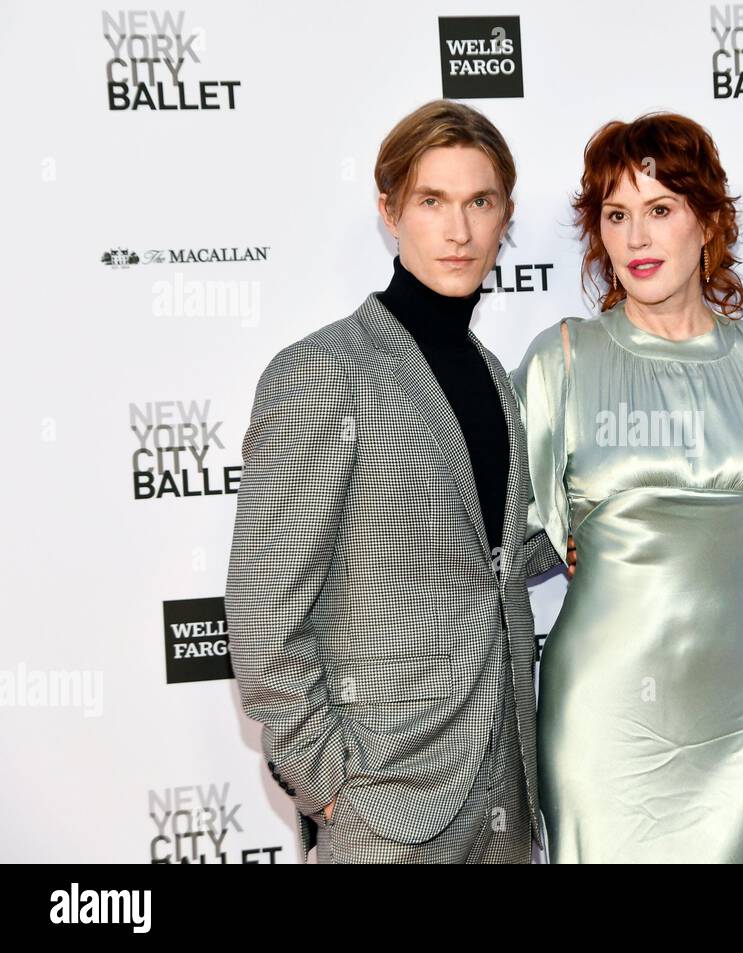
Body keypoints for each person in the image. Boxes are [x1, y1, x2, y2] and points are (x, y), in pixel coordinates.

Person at [226, 99, 559, 864]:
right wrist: (329, 782)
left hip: (504, 784)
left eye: (481, 202)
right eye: (432, 202)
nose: (460, 229)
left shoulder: (489, 378)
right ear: (389, 211)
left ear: (505, 214)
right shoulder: (323, 372)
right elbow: (264, 605)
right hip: (384, 798)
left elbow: (480, 557)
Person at [513, 113, 743, 862]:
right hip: (605, 715)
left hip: (736, 718)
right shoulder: (564, 360)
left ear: (707, 221)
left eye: (660, 209)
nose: (636, 238)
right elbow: (504, 535)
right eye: (616, 215)